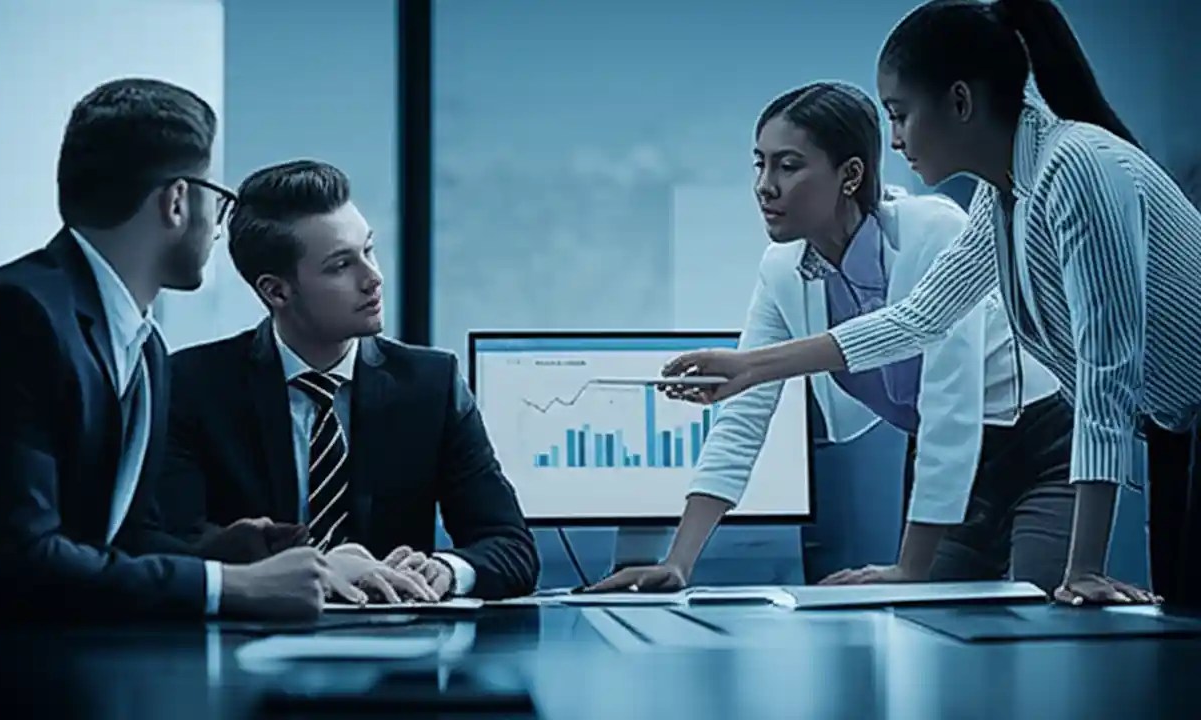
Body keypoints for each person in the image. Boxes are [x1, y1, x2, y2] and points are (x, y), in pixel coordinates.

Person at [657, 0, 1201, 608]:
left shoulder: (1073, 167)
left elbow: (1107, 369)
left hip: (1092, 429)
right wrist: (751, 367)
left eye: (900, 116)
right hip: (1175, 427)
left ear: (960, 102)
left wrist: (1085, 567)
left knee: (1116, 622)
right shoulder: (1004, 194)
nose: (895, 140)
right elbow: (919, 318)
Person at [587, 80, 1071, 595]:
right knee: (935, 621)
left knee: (1040, 611)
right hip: (947, 463)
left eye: (788, 166)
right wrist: (679, 562)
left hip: (1038, 447)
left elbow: (950, 409)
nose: (765, 186)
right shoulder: (782, 271)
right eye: (760, 164)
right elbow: (744, 415)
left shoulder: (935, 231)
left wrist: (909, 569)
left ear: (850, 175)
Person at [0, 78, 359, 628]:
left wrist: (218, 553)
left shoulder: (145, 347)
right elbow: (17, 561)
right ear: (177, 201)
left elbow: (113, 541)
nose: (218, 224)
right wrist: (230, 585)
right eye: (218, 200)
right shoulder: (10, 318)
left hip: (75, 656)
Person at [158, 159, 540, 601]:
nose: (373, 278)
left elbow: (511, 547)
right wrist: (314, 568)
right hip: (252, 629)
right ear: (276, 291)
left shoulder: (431, 385)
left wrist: (447, 571)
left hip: (398, 633)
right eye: (341, 265)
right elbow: (172, 547)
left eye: (369, 250)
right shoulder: (192, 385)